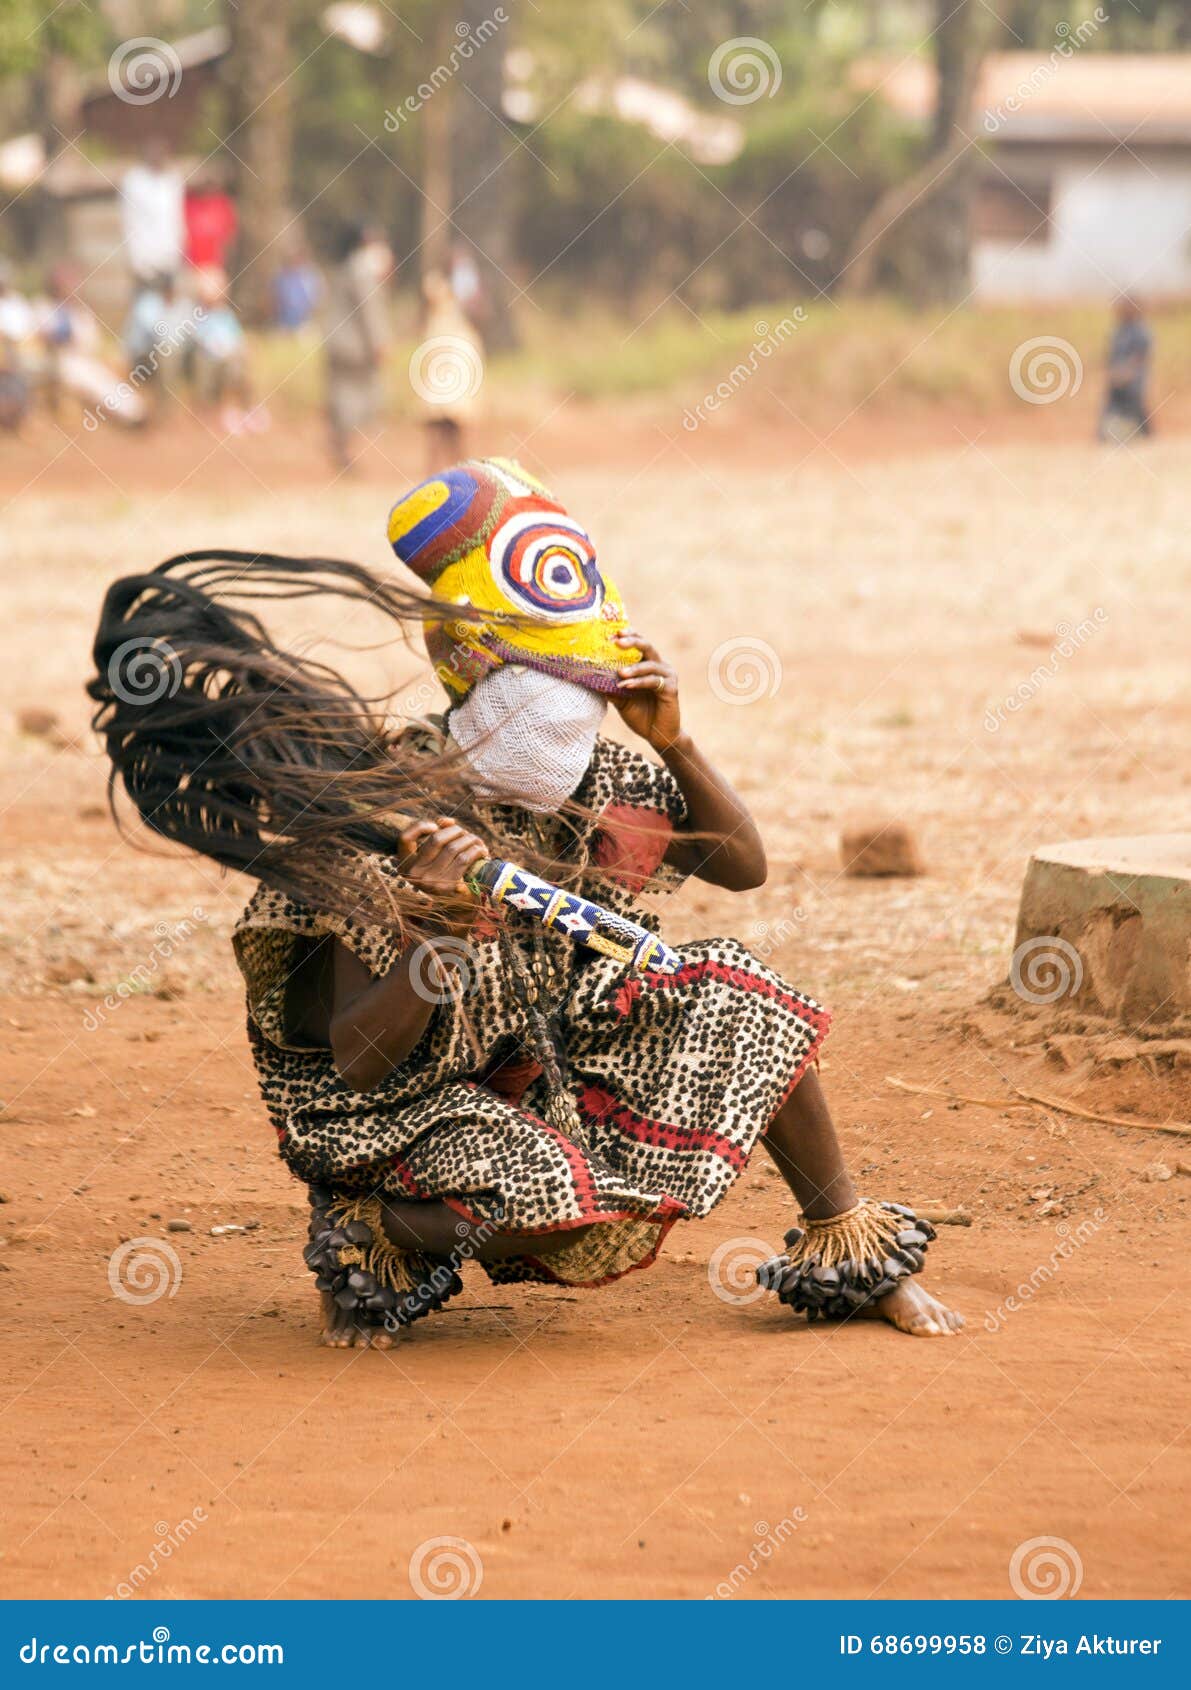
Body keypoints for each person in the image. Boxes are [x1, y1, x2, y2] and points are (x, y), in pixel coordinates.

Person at [88, 458, 963, 1349]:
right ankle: (372, 1231)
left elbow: (743, 868)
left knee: (738, 991)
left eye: (581, 706)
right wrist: (438, 929)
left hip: (533, 1062)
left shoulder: (592, 778)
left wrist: (677, 742)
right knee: (555, 1200)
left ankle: (847, 1248)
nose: (564, 729)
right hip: (392, 1110)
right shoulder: (380, 812)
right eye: (539, 706)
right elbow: (357, 1059)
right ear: (476, 690)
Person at [323, 220, 392, 471]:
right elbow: (369, 310)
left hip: (338, 342)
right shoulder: (362, 271)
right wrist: (380, 342)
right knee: (353, 400)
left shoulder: (345, 268)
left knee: (341, 397)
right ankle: (344, 451)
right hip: (353, 347)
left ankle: (341, 448)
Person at [417, 268, 484, 475]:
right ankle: (460, 475)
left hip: (447, 390)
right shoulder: (447, 321)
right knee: (442, 438)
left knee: (446, 438)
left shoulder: (445, 322)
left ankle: (458, 476)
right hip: (447, 391)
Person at [120, 139, 185, 294]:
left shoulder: (172, 180)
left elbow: (176, 219)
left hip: (169, 256)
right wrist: (136, 259)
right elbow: (129, 220)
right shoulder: (134, 181)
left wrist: (178, 251)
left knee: (168, 308)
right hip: (144, 258)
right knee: (147, 309)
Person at [1100, 295, 1153, 442]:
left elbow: (1140, 357)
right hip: (1115, 383)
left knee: (1137, 411)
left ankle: (1147, 438)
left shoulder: (1141, 331)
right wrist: (1111, 373)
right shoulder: (1117, 331)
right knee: (1109, 411)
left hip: (1133, 383)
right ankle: (1102, 439)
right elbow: (1109, 356)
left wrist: (1125, 373)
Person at [183, 172, 238, 275]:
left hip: (214, 266)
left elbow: (230, 236)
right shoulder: (188, 203)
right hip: (190, 265)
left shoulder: (222, 204)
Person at [272, 240, 322, 334]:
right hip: (283, 324)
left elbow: (317, 300)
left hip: (305, 323)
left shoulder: (310, 275)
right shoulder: (280, 277)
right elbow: (276, 302)